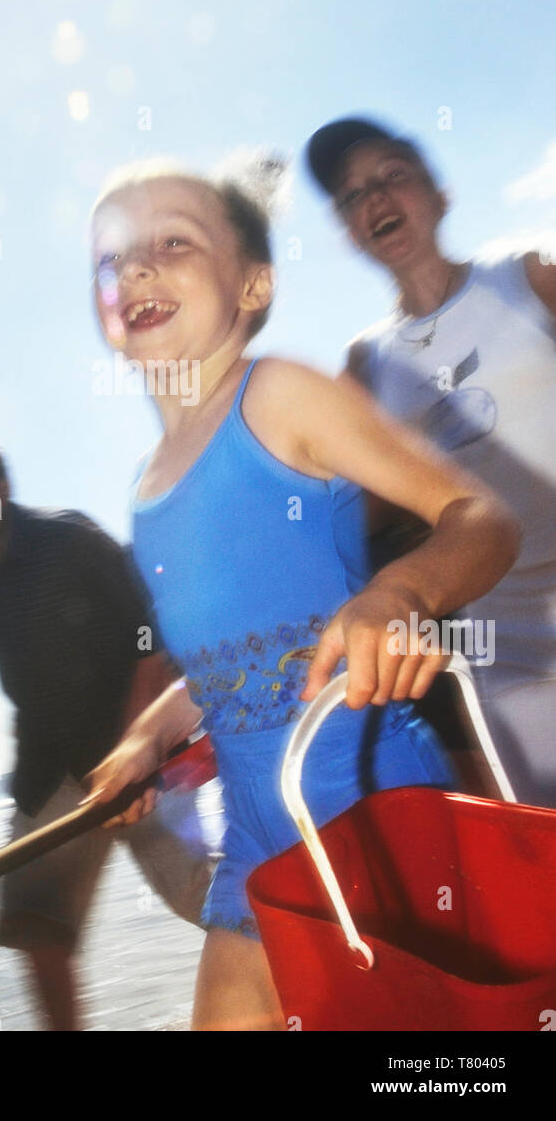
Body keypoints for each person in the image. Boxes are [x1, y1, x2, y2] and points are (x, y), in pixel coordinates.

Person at [84, 153, 519, 1032]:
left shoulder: (280, 395)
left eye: (173, 242)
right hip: (254, 846)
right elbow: (228, 670)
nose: (135, 268)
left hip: (376, 817)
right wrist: (144, 739)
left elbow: (483, 519)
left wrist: (399, 594)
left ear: (251, 286)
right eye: (114, 256)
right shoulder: (143, 492)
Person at [0, 433, 213, 1031]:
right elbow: (31, 671)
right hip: (50, 771)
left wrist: (139, 748)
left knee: (210, 902)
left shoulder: (68, 540)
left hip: (139, 754)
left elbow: (148, 643)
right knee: (35, 926)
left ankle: (318, 999)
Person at [306, 116, 556, 808]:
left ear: (439, 195)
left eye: (392, 177)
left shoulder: (526, 278)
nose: (375, 200)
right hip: (504, 653)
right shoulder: (364, 365)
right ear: (348, 231)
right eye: (352, 196)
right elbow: (335, 514)